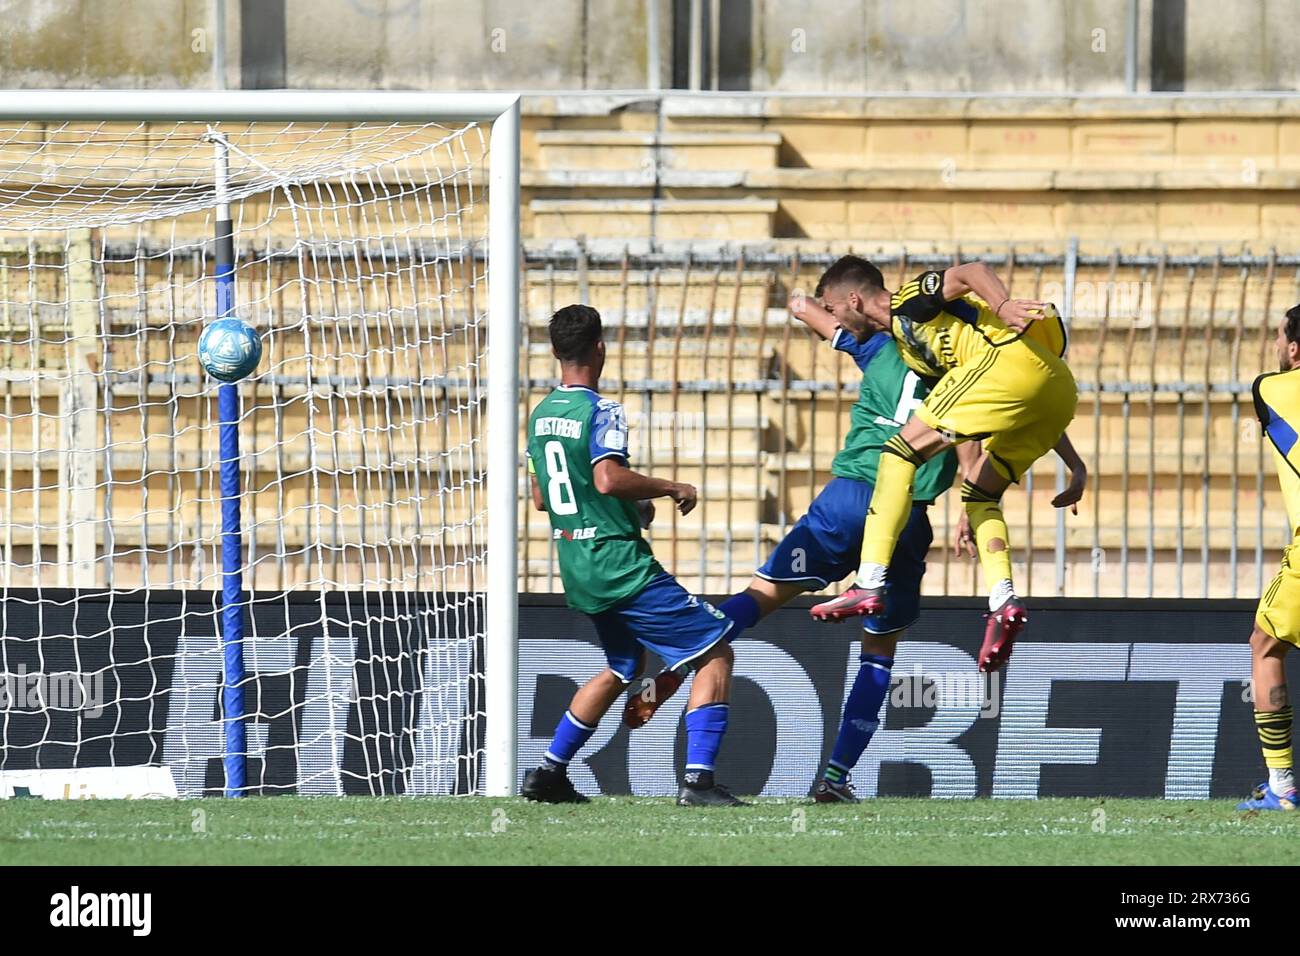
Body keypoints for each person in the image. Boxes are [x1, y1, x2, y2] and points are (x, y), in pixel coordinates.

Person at [626, 263, 979, 802]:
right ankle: (835, 780)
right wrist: (972, 511)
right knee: (879, 656)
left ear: (854, 301)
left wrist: (808, 306)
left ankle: (680, 665)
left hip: (846, 501)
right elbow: (975, 446)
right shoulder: (963, 370)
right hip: (905, 514)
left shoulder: (877, 351)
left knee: (758, 597)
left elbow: (811, 312)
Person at [809, 256, 1085, 673]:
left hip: (1007, 367)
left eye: (832, 310)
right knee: (979, 494)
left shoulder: (908, 304)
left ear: (854, 299)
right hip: (1054, 391)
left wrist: (1003, 303)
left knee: (898, 452)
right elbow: (981, 414)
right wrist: (1075, 465)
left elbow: (969, 271)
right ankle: (1002, 600)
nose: (837, 321)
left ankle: (868, 582)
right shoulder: (915, 353)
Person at [521, 303, 745, 807]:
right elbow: (605, 477)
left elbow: (542, 497)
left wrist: (628, 503)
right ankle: (698, 783)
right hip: (620, 564)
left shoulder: (541, 415)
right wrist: (668, 487)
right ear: (600, 348)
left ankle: (549, 773)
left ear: (556, 353)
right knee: (716, 651)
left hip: (578, 566)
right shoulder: (602, 411)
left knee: (623, 665)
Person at [1238, 305, 1300, 811]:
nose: (1278, 346)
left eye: (1281, 337)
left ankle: (1281, 788)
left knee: (1265, 645)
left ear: (1295, 347)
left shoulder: (1270, 389)